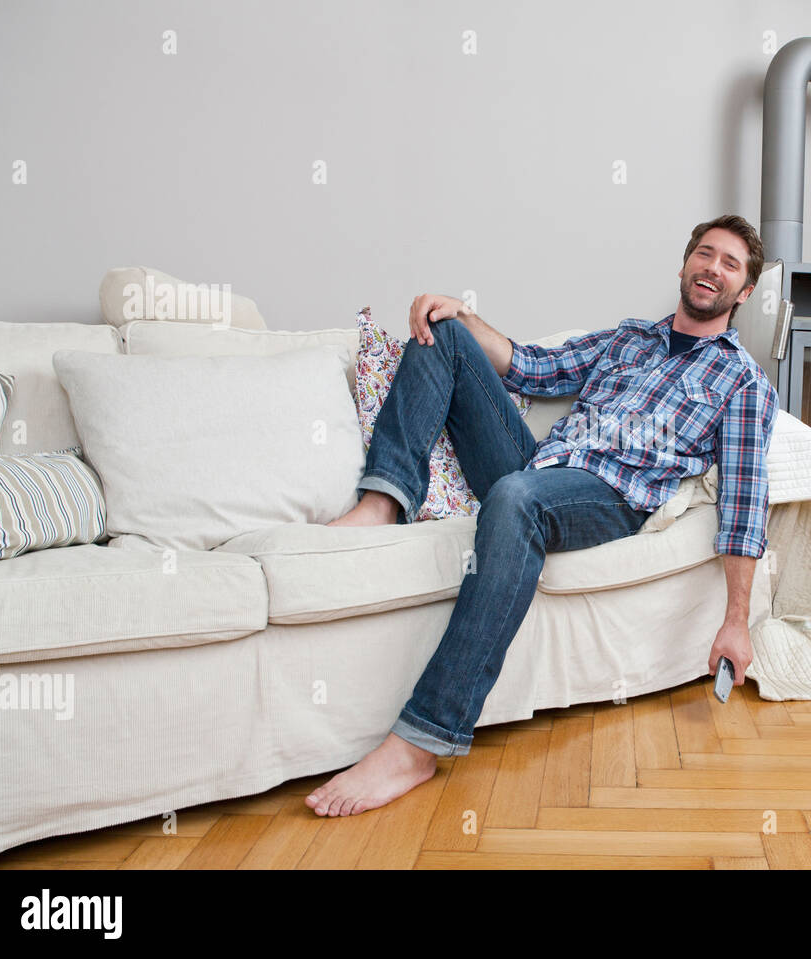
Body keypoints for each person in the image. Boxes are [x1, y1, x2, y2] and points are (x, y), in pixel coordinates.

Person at [305, 214, 779, 817]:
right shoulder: (628, 338)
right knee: (448, 336)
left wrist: (736, 618)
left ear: (743, 292)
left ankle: (419, 743)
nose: (712, 267)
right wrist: (463, 313)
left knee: (515, 498)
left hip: (610, 494)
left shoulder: (742, 382)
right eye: (705, 254)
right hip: (541, 464)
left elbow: (743, 499)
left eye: (730, 263)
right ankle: (381, 503)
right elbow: (528, 366)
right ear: (685, 265)